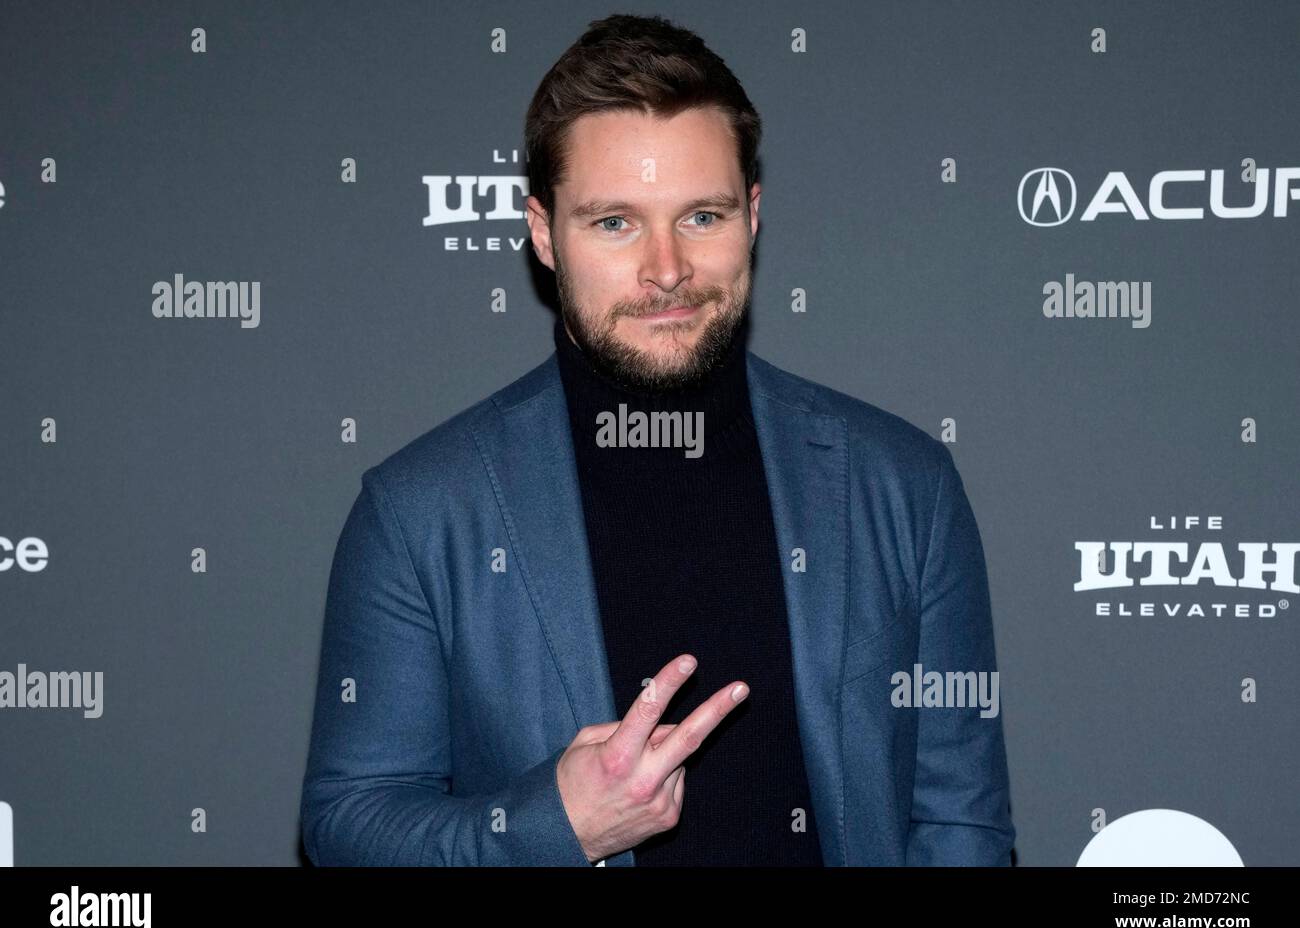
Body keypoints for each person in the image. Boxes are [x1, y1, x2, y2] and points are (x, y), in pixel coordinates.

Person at [300, 13, 1015, 867]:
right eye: (615, 223)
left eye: (702, 216)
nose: (666, 268)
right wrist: (551, 825)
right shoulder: (420, 512)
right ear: (542, 234)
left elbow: (961, 823)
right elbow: (350, 824)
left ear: (752, 215)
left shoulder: (902, 484)